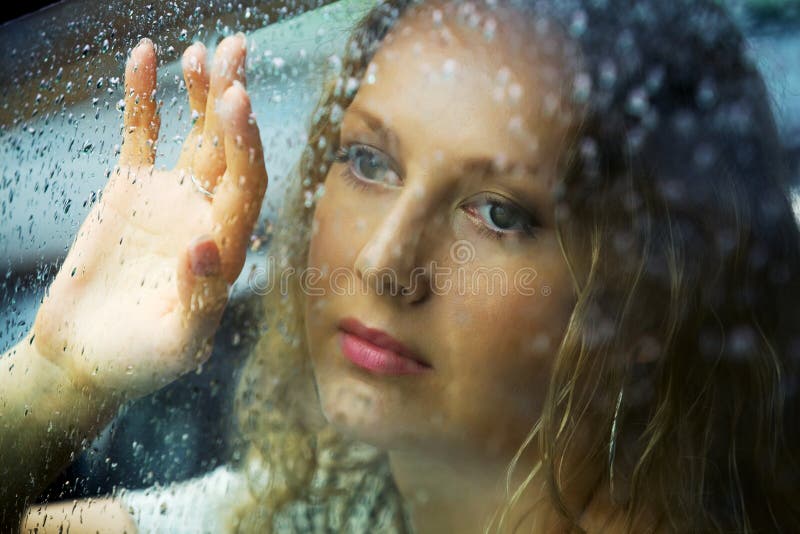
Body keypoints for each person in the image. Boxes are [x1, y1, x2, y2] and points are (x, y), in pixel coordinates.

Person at [4, 0, 800, 532]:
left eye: (499, 213)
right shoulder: (337, 496)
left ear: (649, 298)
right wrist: (57, 381)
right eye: (369, 162)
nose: (388, 266)